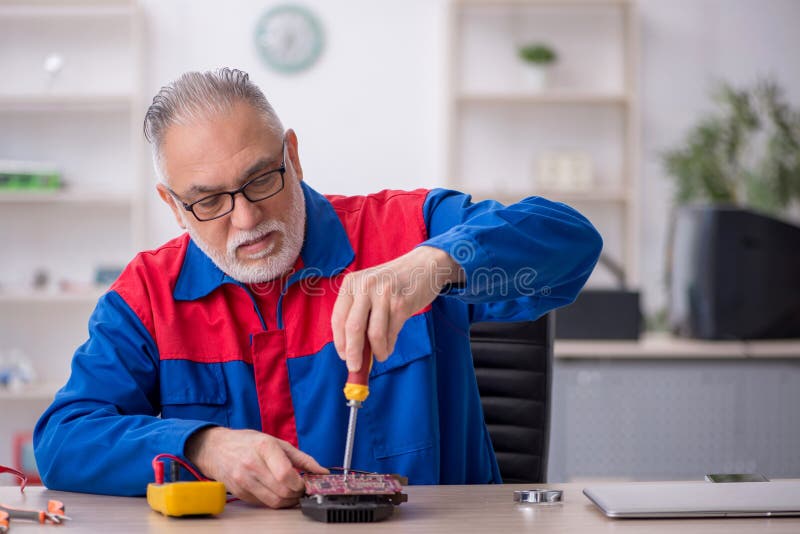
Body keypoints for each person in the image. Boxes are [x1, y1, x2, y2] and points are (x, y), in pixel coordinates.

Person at [33, 68, 602, 508]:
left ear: (294, 156)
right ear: (174, 207)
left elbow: (571, 243)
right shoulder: (149, 295)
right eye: (209, 201)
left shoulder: (408, 229)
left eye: (262, 179)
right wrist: (203, 444)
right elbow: (64, 439)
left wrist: (435, 264)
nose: (247, 219)